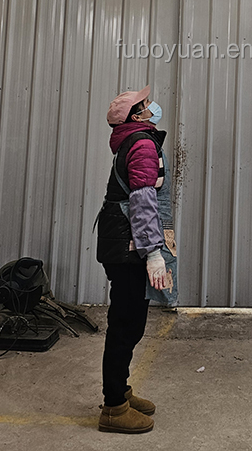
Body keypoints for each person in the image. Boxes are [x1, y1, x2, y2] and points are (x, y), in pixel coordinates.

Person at [95, 85, 175, 434]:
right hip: (130, 249)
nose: (151, 106)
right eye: (145, 105)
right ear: (135, 116)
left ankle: (121, 391)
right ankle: (113, 407)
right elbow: (143, 203)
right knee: (126, 323)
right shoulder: (142, 144)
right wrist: (153, 253)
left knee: (129, 321)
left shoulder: (137, 140)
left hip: (126, 246)